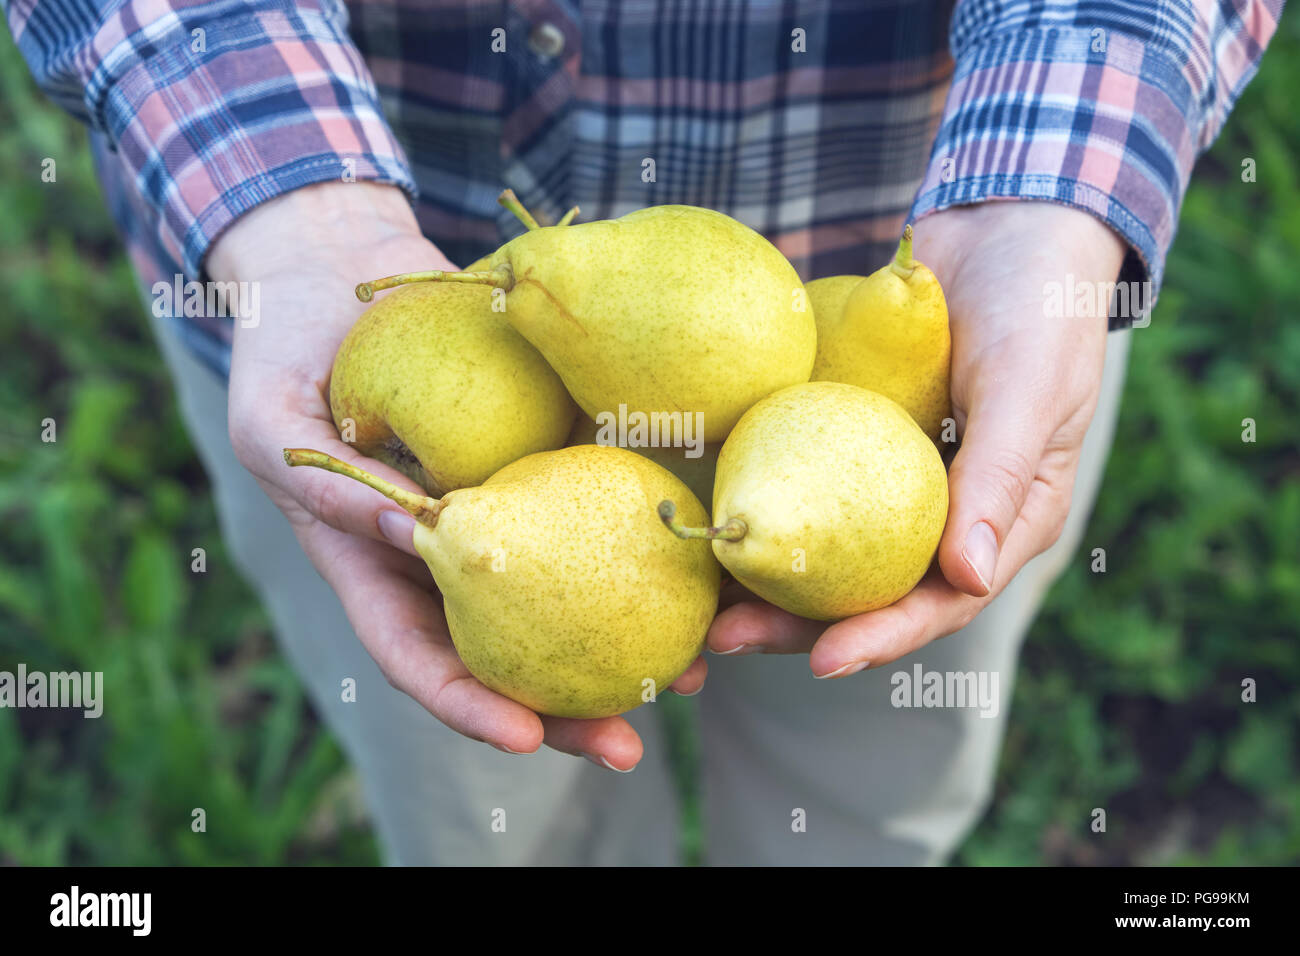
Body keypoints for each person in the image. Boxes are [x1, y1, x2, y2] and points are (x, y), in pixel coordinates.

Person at [5, 0, 1282, 864]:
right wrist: (282, 209)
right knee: (479, 807)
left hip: (942, 328)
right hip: (326, 274)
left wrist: (1047, 204)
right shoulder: (439, 345)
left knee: (868, 784)